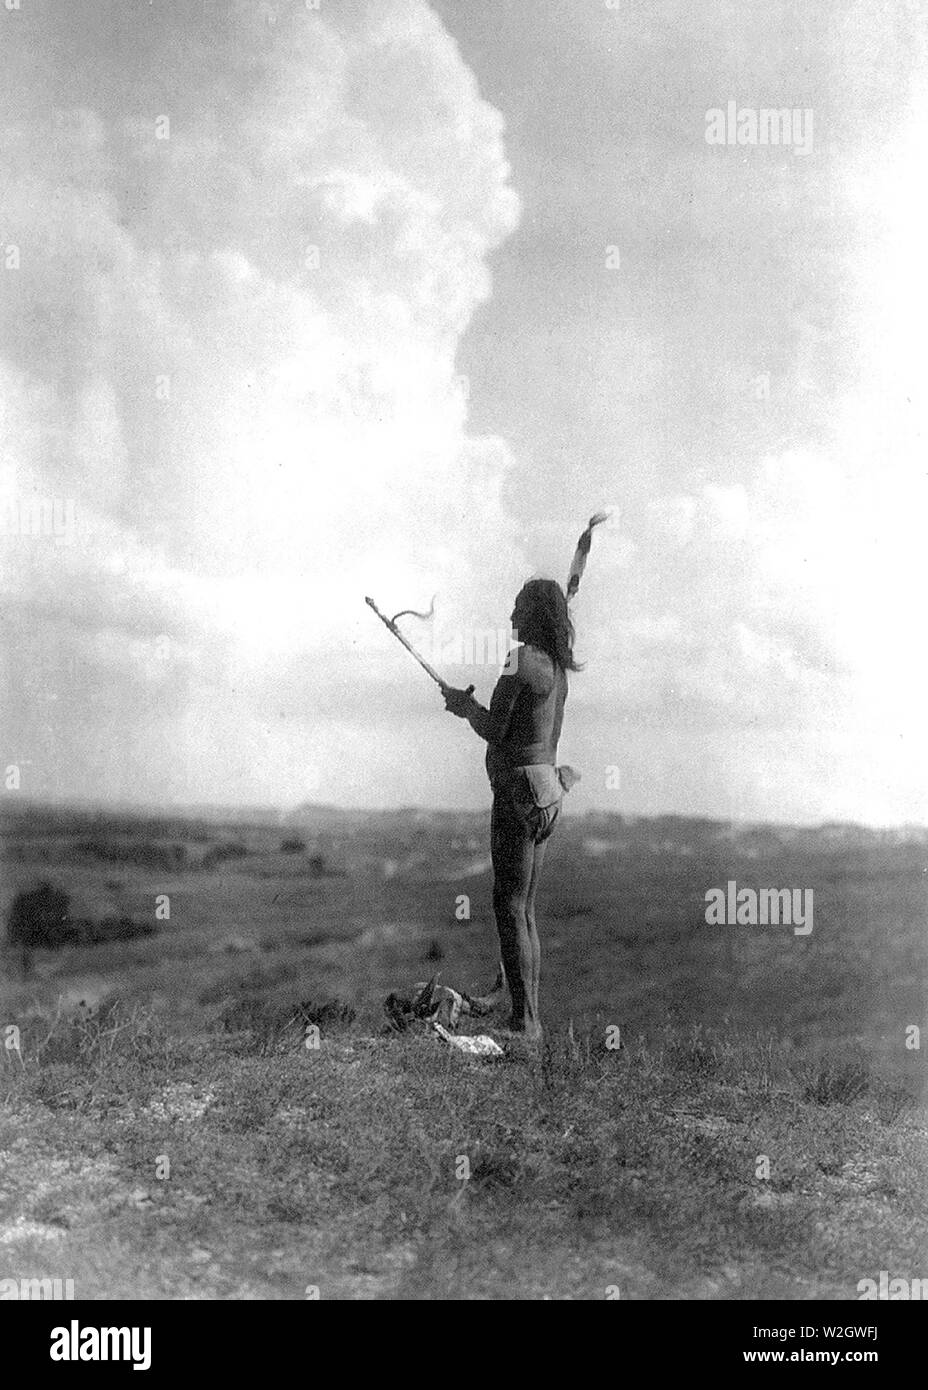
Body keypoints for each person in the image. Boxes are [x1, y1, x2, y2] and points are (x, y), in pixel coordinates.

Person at [443, 578, 580, 1039]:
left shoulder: (520, 660)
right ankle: (529, 1020)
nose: (510, 616)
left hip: (518, 792)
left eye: (518, 607)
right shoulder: (557, 671)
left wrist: (464, 707)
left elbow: (496, 729)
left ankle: (524, 1023)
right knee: (525, 910)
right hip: (548, 792)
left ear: (533, 615)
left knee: (508, 905)